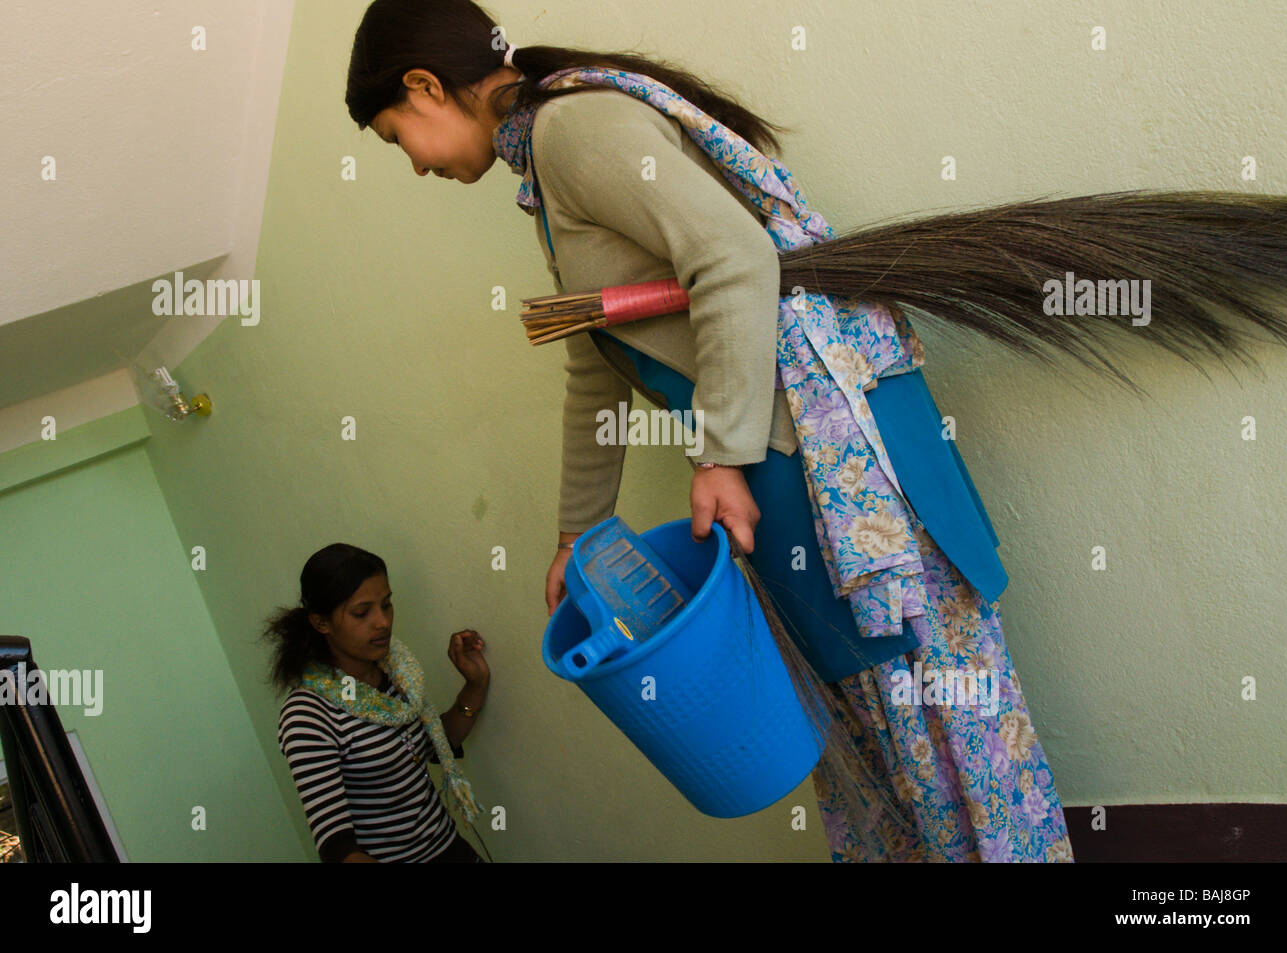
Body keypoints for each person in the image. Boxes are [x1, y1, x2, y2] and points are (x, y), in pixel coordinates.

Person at [344, 0, 1074, 862]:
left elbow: (734, 256)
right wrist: (577, 534)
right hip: (788, 464)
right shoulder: (546, 167)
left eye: (396, 138)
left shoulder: (572, 132)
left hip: (827, 464)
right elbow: (596, 362)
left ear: (425, 86)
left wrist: (720, 455)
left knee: (933, 719)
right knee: (882, 730)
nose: (413, 166)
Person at [264, 542, 489, 862]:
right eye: (362, 612)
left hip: (449, 849)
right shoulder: (307, 715)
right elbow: (337, 845)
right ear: (321, 623)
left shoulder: (397, 673)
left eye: (386, 605)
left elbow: (437, 744)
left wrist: (475, 683)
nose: (382, 622)